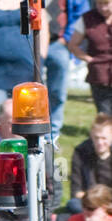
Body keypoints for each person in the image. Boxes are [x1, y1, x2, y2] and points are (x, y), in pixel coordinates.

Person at [0, 0, 47, 138]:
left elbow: (43, 27)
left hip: (25, 68)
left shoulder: (32, 1)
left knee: (27, 121)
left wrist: (41, 57)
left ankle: (27, 157)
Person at [46, 0, 89, 142]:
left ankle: (52, 136)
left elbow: (81, 14)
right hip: (31, 44)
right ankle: (28, 132)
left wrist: (66, 39)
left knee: (57, 92)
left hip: (57, 44)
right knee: (29, 91)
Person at [71, 0, 112, 117]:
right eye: (100, 4)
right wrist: (89, 59)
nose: (103, 8)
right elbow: (73, 45)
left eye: (107, 4)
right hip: (99, 74)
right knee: (105, 115)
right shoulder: (87, 18)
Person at [70, 113, 112, 212]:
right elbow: (76, 192)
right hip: (88, 203)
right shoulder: (80, 152)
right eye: (96, 138)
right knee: (73, 204)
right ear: (91, 137)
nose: (100, 143)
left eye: (104, 138)